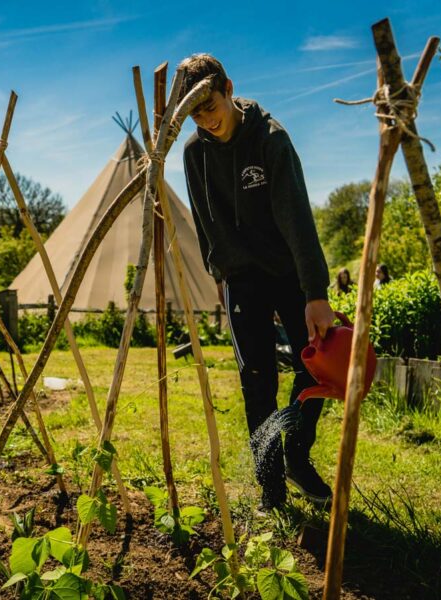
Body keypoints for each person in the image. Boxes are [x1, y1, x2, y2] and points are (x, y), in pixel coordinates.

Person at [179, 53, 335, 509]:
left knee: (313, 368)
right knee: (257, 378)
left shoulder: (271, 139)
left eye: (210, 105)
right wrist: (221, 275)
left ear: (228, 88)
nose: (206, 120)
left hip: (288, 270)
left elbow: (298, 220)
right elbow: (205, 221)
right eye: (195, 113)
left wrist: (316, 293)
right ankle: (270, 484)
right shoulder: (194, 153)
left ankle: (297, 457)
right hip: (241, 278)